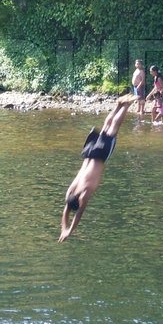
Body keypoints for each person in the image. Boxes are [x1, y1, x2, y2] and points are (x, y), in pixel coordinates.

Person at [59, 94, 136, 242]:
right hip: (88, 153)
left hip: (100, 156)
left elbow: (79, 213)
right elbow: (66, 209)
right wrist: (63, 227)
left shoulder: (84, 194)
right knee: (104, 130)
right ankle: (118, 105)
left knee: (113, 129)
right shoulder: (70, 192)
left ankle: (125, 106)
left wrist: (70, 231)